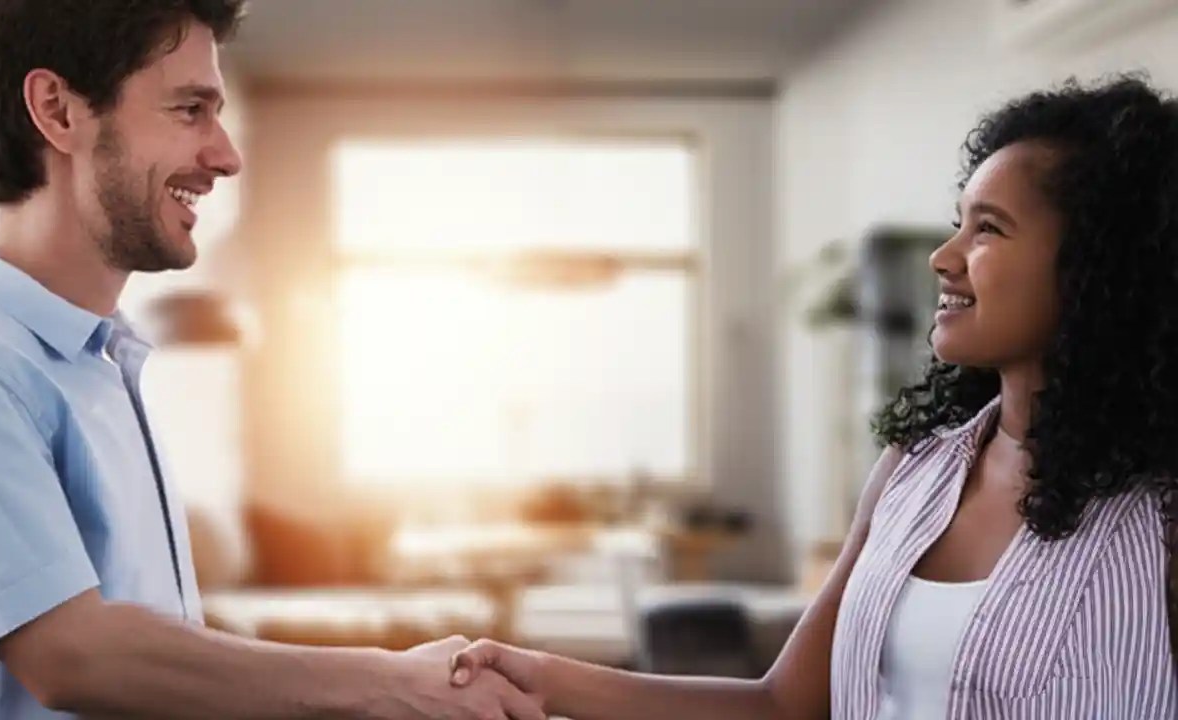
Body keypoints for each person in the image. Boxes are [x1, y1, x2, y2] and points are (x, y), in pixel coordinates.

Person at [450, 75, 1178, 719]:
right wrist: (542, 678)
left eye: (987, 228)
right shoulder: (912, 472)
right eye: (959, 221)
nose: (943, 256)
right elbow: (781, 705)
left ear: (1097, 267)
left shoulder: (1160, 517)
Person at [0, 1, 542, 719]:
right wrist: (387, 680)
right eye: (189, 110)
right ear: (58, 110)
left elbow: (155, 655)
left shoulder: (100, 363)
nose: (225, 155)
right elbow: (71, 654)